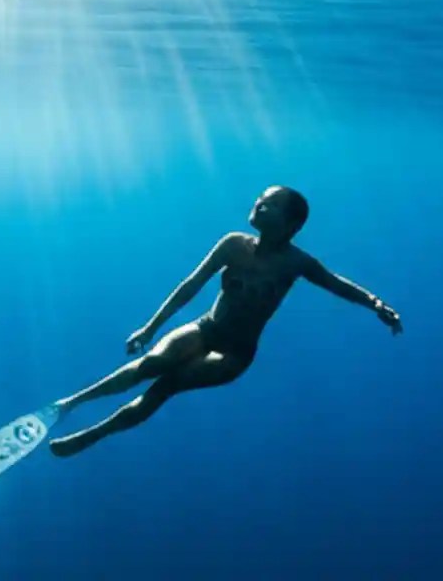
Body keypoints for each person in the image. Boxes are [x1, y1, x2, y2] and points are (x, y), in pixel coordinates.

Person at [48, 185, 402, 458]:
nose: (260, 204)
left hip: (237, 352)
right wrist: (150, 328)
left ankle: (92, 435)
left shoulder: (297, 263)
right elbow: (190, 285)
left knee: (166, 386)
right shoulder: (233, 244)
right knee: (152, 363)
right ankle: (71, 403)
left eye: (272, 204)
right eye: (260, 198)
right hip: (207, 328)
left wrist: (376, 304)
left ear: (291, 224)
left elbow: (337, 284)